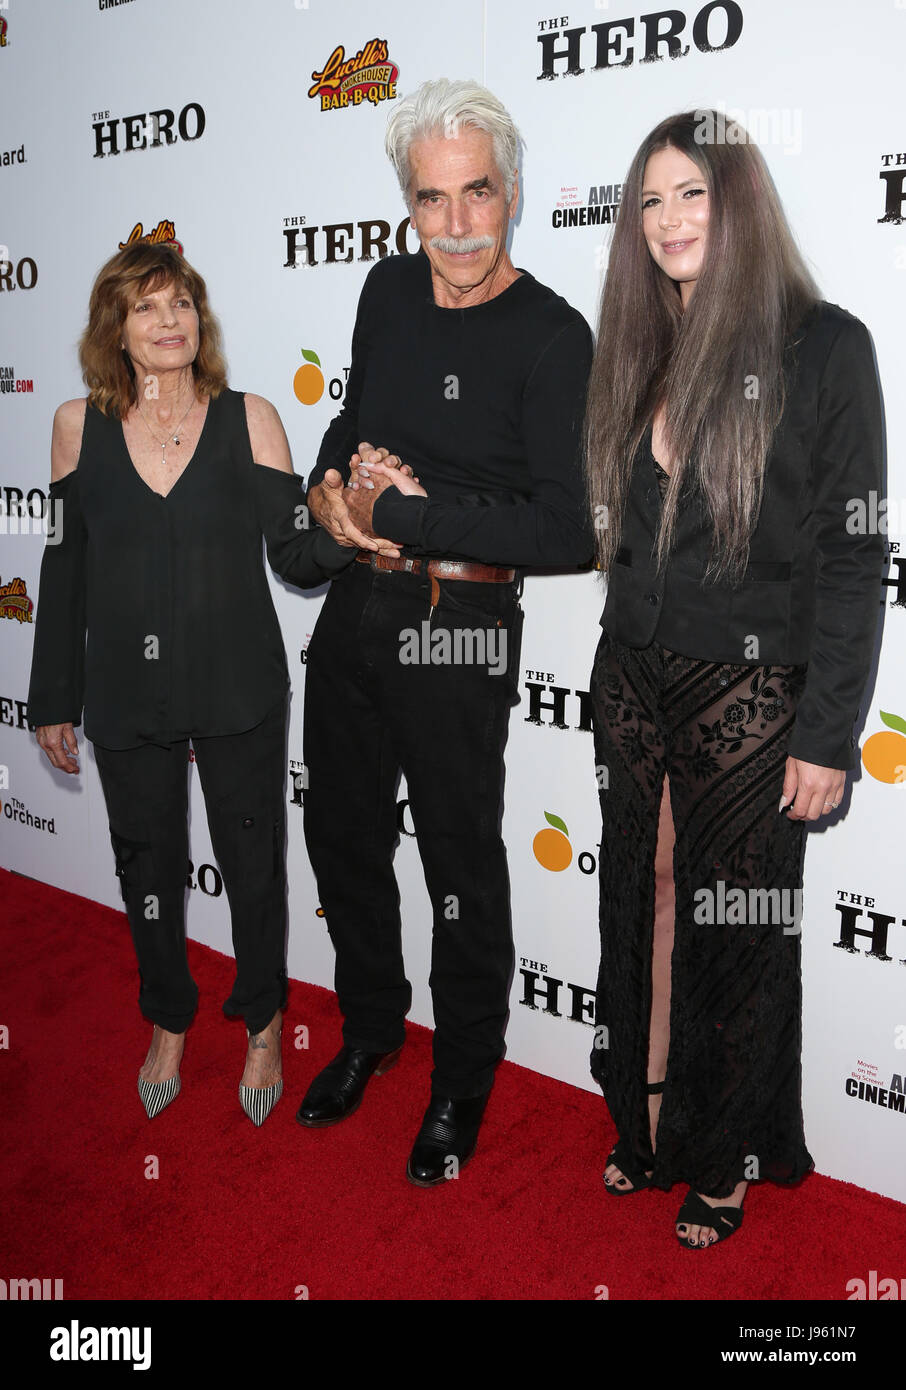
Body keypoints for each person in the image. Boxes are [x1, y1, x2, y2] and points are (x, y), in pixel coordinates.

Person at [585, 110, 885, 1246]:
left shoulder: (826, 345)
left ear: (741, 200)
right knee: (642, 897)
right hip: (635, 678)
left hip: (754, 698)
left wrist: (827, 732)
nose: (666, 220)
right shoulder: (639, 341)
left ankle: (728, 1149)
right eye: (650, 200)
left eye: (691, 194)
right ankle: (648, 1111)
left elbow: (856, 553)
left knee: (738, 921)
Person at [296, 78, 593, 1184]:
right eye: (433, 199)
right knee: (344, 834)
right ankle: (371, 1025)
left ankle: (462, 1076)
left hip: (459, 616)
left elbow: (568, 530)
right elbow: (350, 415)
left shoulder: (555, 334)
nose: (458, 225)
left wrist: (405, 516)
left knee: (460, 858)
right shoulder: (383, 288)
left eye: (478, 194)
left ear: (510, 193)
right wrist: (335, 494)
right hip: (358, 605)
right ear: (407, 206)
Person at [26, 243, 356, 1124]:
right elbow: (62, 571)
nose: (169, 321)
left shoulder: (248, 417)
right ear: (117, 329)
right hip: (126, 698)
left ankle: (260, 1022)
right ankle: (169, 1018)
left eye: (181, 304)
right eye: (147, 307)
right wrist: (52, 696)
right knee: (147, 866)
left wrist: (346, 530)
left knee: (251, 865)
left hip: (238, 684)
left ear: (199, 321)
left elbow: (296, 555)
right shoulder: (73, 425)